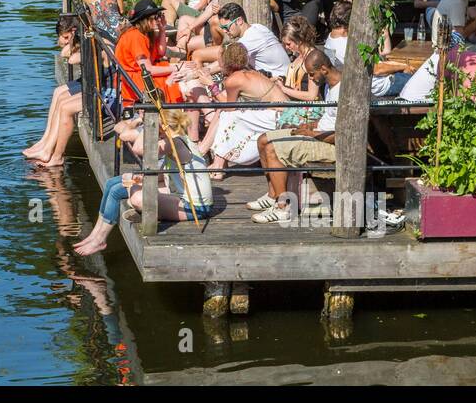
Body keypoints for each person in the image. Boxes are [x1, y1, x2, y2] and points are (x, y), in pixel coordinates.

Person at [74, 109, 213, 256]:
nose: (156, 136)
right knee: (112, 183)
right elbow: (169, 175)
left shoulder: (176, 143)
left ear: (164, 128)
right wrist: (140, 177)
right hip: (181, 198)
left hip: (195, 207)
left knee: (124, 194)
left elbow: (138, 149)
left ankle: (100, 240)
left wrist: (147, 123)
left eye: (157, 131)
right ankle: (95, 235)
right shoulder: (177, 141)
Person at [251, 49, 338, 222]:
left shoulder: (341, 90)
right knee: (263, 139)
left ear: (323, 69)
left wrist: (310, 133)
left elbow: (341, 135)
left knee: (273, 148)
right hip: (318, 134)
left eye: (312, 75)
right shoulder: (330, 85)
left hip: (330, 143)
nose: (311, 79)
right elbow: (329, 118)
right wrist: (308, 126)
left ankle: (283, 207)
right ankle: (273, 194)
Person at [195, 43, 290, 179]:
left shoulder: (234, 79)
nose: (218, 63)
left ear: (226, 60)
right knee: (225, 113)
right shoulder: (246, 73)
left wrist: (210, 84)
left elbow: (230, 107)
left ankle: (211, 159)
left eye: (219, 59)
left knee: (227, 115)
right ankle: (213, 159)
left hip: (282, 117)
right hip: (279, 113)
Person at [24, 18, 85, 166]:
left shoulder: (84, 38)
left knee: (64, 103)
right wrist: (67, 40)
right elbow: (65, 53)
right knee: (58, 92)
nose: (63, 41)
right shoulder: (78, 39)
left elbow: (69, 57)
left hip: (95, 85)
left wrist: (70, 41)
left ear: (73, 32)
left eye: (65, 37)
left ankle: (50, 150)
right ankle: (45, 142)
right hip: (88, 81)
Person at [192, 2, 291, 78]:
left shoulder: (250, 39)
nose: (225, 31)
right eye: (222, 28)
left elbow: (222, 63)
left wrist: (194, 75)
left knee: (198, 55)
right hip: (280, 76)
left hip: (280, 81)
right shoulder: (257, 27)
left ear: (239, 21)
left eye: (226, 27)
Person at [114, 0, 184, 106]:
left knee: (184, 75)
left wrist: (162, 29)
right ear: (145, 19)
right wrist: (177, 67)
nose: (159, 19)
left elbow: (161, 52)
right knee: (181, 79)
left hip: (143, 75)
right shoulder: (135, 36)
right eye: (155, 17)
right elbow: (148, 70)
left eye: (159, 15)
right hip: (134, 81)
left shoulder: (146, 33)